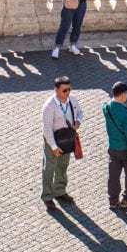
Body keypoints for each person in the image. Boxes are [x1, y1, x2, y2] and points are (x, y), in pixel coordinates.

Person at [41, 76, 84, 210]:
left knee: (63, 166)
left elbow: (80, 112)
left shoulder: (73, 100)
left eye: (69, 89)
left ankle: (60, 191)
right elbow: (47, 128)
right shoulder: (49, 106)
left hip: (67, 138)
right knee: (49, 169)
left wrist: (78, 121)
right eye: (64, 90)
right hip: (53, 139)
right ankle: (47, 196)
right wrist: (53, 146)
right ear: (56, 90)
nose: (67, 93)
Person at [103, 82, 127, 210]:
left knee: (113, 175)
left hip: (112, 147)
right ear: (123, 95)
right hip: (124, 149)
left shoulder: (106, 107)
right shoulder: (125, 113)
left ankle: (113, 200)